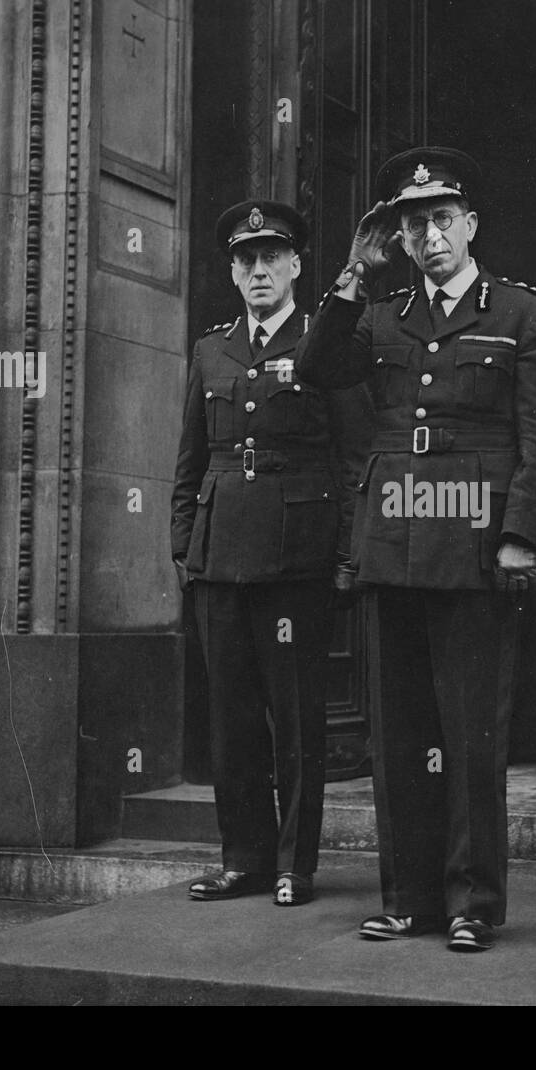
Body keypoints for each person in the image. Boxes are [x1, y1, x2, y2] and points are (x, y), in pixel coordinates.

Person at [296, 147, 536, 951]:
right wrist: (351, 276)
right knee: (399, 731)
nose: (429, 234)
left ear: (471, 223)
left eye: (442, 218)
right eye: (414, 223)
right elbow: (316, 368)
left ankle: (471, 902)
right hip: (393, 541)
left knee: (472, 732)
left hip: (477, 545)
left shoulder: (522, 313)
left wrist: (521, 535)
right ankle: (408, 896)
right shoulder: (380, 313)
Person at [171, 200, 366, 907]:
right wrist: (183, 548)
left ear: (294, 265)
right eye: (246, 259)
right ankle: (244, 858)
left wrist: (345, 555)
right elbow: (190, 460)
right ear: (232, 270)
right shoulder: (210, 349)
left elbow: (352, 457)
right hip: (219, 559)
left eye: (271, 257)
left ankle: (293, 863)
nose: (258, 270)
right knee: (232, 719)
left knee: (296, 719)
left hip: (296, 558)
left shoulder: (324, 342)